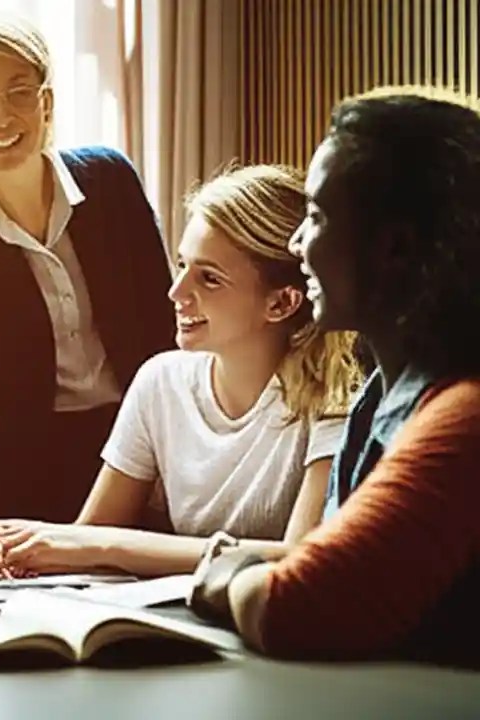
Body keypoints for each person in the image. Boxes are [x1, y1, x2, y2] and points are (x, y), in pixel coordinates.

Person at [189, 87, 480, 667]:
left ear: (393, 247)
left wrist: (234, 571)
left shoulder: (465, 416)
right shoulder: (380, 395)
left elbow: (298, 607)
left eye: (317, 217)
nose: (297, 243)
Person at [0, 165, 363, 579]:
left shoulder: (335, 399)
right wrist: (6, 553)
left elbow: (298, 556)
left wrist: (107, 545)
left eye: (209, 279)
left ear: (280, 304)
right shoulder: (160, 383)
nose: (176, 292)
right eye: (182, 265)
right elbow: (84, 544)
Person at [0, 13, 175, 559]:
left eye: (19, 92)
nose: (2, 115)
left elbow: (167, 323)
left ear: (47, 103)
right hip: (25, 467)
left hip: (136, 449)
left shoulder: (109, 182)